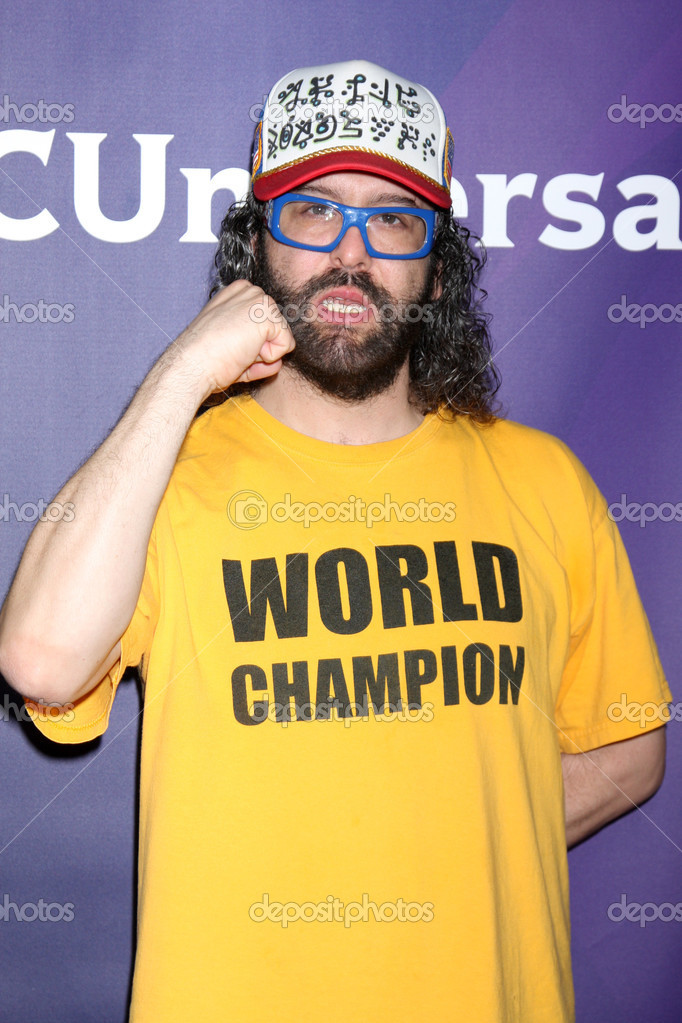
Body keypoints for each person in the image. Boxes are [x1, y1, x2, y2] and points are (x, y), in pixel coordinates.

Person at [0, 59, 671, 1022]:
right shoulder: (162, 476)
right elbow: (42, 660)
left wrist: (423, 862)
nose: (351, 253)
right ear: (256, 244)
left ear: (436, 262)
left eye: (394, 217)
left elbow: (628, 748)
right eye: (313, 210)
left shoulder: (543, 480)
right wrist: (181, 374)